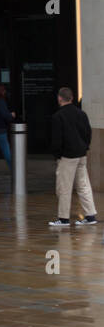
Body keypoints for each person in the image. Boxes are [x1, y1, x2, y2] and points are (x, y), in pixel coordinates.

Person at [49, 87, 96, 227]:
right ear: (72, 98)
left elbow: (57, 139)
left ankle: (63, 219)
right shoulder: (82, 114)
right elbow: (88, 133)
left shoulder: (58, 116)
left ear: (59, 98)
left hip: (67, 156)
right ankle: (90, 215)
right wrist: (85, 147)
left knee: (64, 187)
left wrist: (57, 154)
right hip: (81, 154)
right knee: (83, 185)